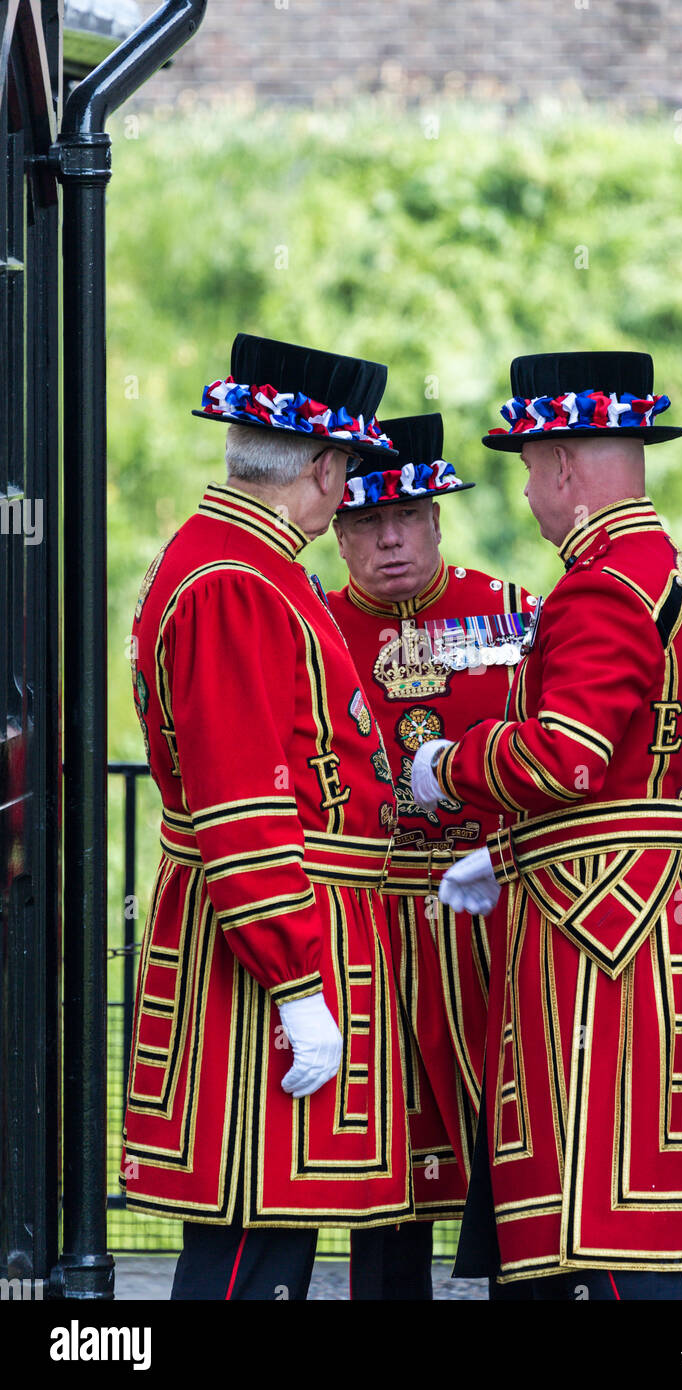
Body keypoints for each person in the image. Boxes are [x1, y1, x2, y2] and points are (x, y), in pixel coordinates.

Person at [412, 350, 682, 1299]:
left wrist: (449, 767)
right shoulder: (679, 578)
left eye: (531, 469)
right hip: (660, 902)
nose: (530, 494)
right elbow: (630, 775)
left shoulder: (602, 585)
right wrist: (506, 853)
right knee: (623, 1215)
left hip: (599, 927)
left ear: (565, 463)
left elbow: (566, 757)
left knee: (588, 1222)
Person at [120, 334, 413, 1300]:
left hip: (281, 926)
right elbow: (241, 802)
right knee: (253, 1237)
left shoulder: (239, 560)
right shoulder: (236, 580)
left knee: (271, 1233)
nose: (348, 492)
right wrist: (295, 980)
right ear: (323, 468)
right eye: (349, 471)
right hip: (268, 939)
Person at [329, 412, 535, 1299]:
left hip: (493, 917)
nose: (391, 540)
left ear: (438, 519)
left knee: (519, 1144)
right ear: (336, 531)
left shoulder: (510, 615)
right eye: (368, 521)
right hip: (371, 924)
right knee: (384, 1158)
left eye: (407, 517)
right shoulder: (316, 625)